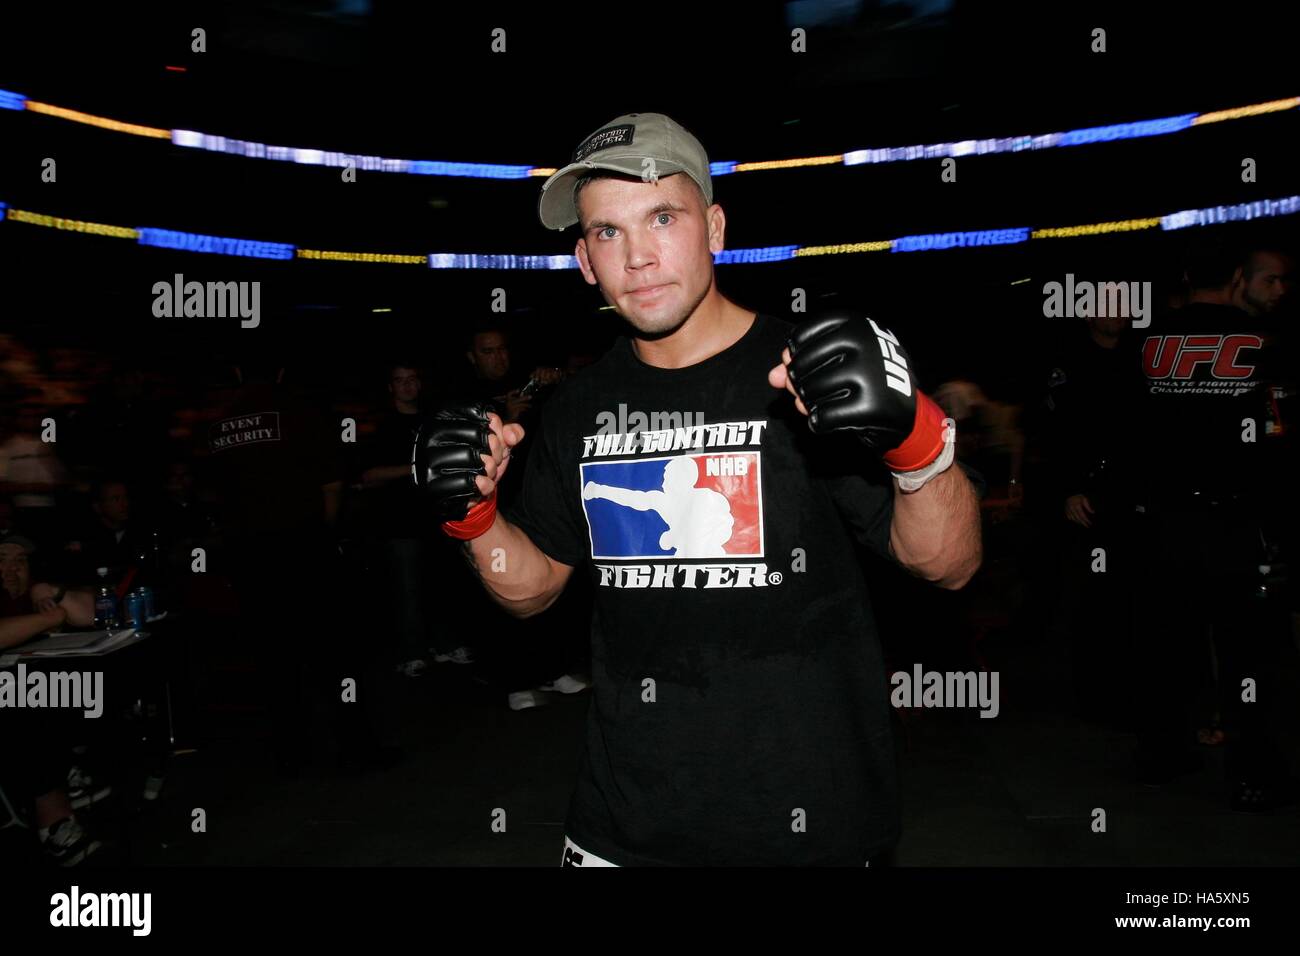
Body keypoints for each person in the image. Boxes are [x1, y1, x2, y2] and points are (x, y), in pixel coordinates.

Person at [416, 112, 982, 865]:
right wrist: (474, 518)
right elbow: (530, 588)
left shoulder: (806, 375)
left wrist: (919, 444)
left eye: (661, 216)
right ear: (585, 261)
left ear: (714, 227)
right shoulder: (578, 407)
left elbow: (950, 564)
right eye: (608, 233)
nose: (639, 257)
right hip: (623, 825)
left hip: (811, 823)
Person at [1126, 240, 1294, 810]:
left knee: (1164, 647)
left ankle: (1160, 754)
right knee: (1250, 655)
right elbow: (1280, 436)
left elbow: (1124, 433)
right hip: (1237, 523)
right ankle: (1252, 775)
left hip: (1163, 522)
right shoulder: (1267, 345)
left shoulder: (1145, 341)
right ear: (1238, 276)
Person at [360, 361, 471, 673]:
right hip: (399, 523)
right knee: (407, 590)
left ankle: (447, 643)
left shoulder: (433, 420)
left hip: (438, 519)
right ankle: (412, 653)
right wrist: (415, 469)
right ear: (390, 387)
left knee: (444, 585)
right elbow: (368, 475)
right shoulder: (381, 425)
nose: (408, 385)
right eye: (400, 380)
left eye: (412, 379)